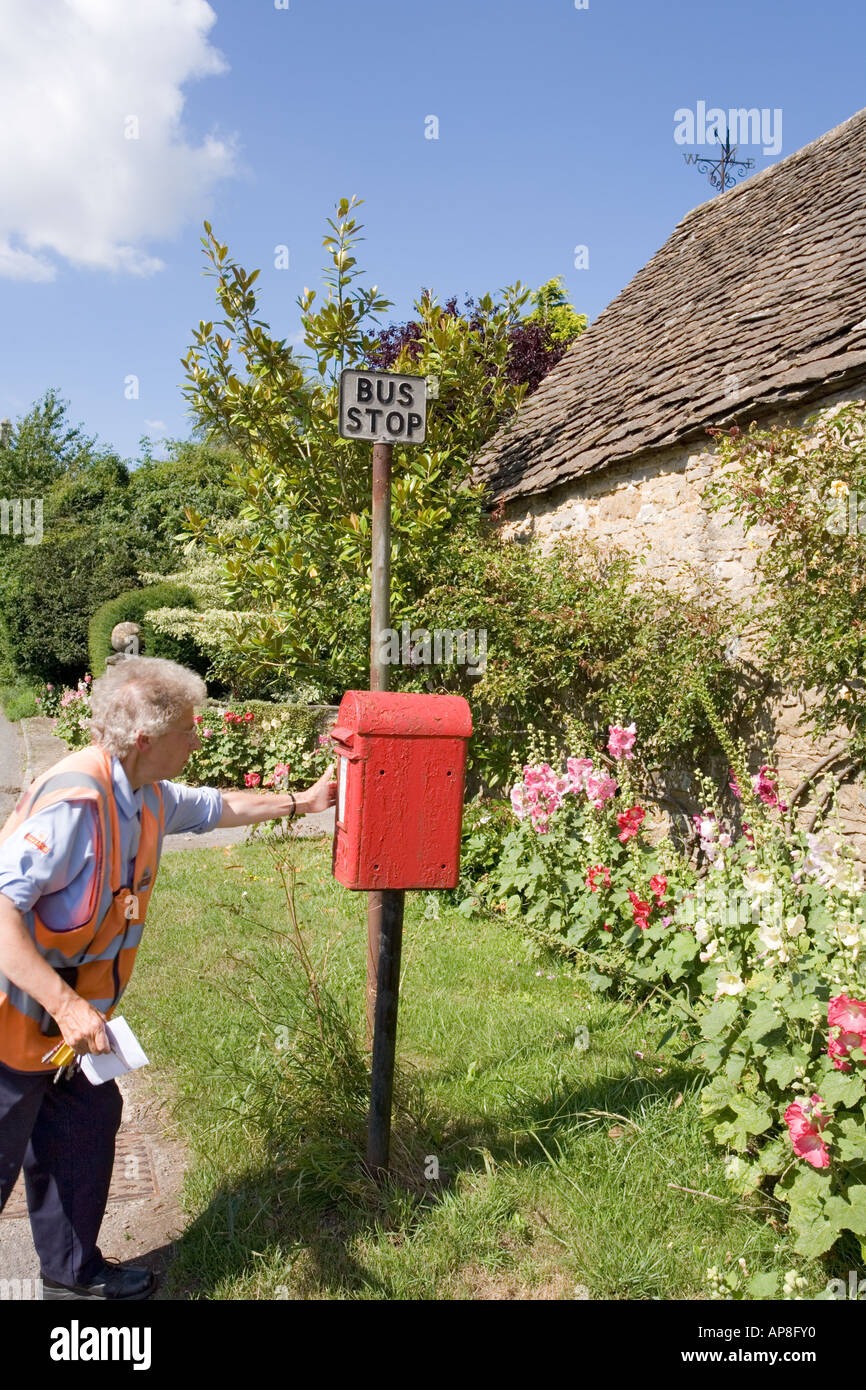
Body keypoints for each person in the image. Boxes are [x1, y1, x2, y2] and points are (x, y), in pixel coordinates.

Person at [0, 657, 336, 1301]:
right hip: (15, 1020)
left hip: (69, 1031)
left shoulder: (146, 792)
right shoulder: (76, 803)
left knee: (85, 1125)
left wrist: (304, 801)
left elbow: (219, 806)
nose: (198, 737)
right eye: (190, 727)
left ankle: (71, 1278)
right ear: (148, 740)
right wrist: (68, 1005)